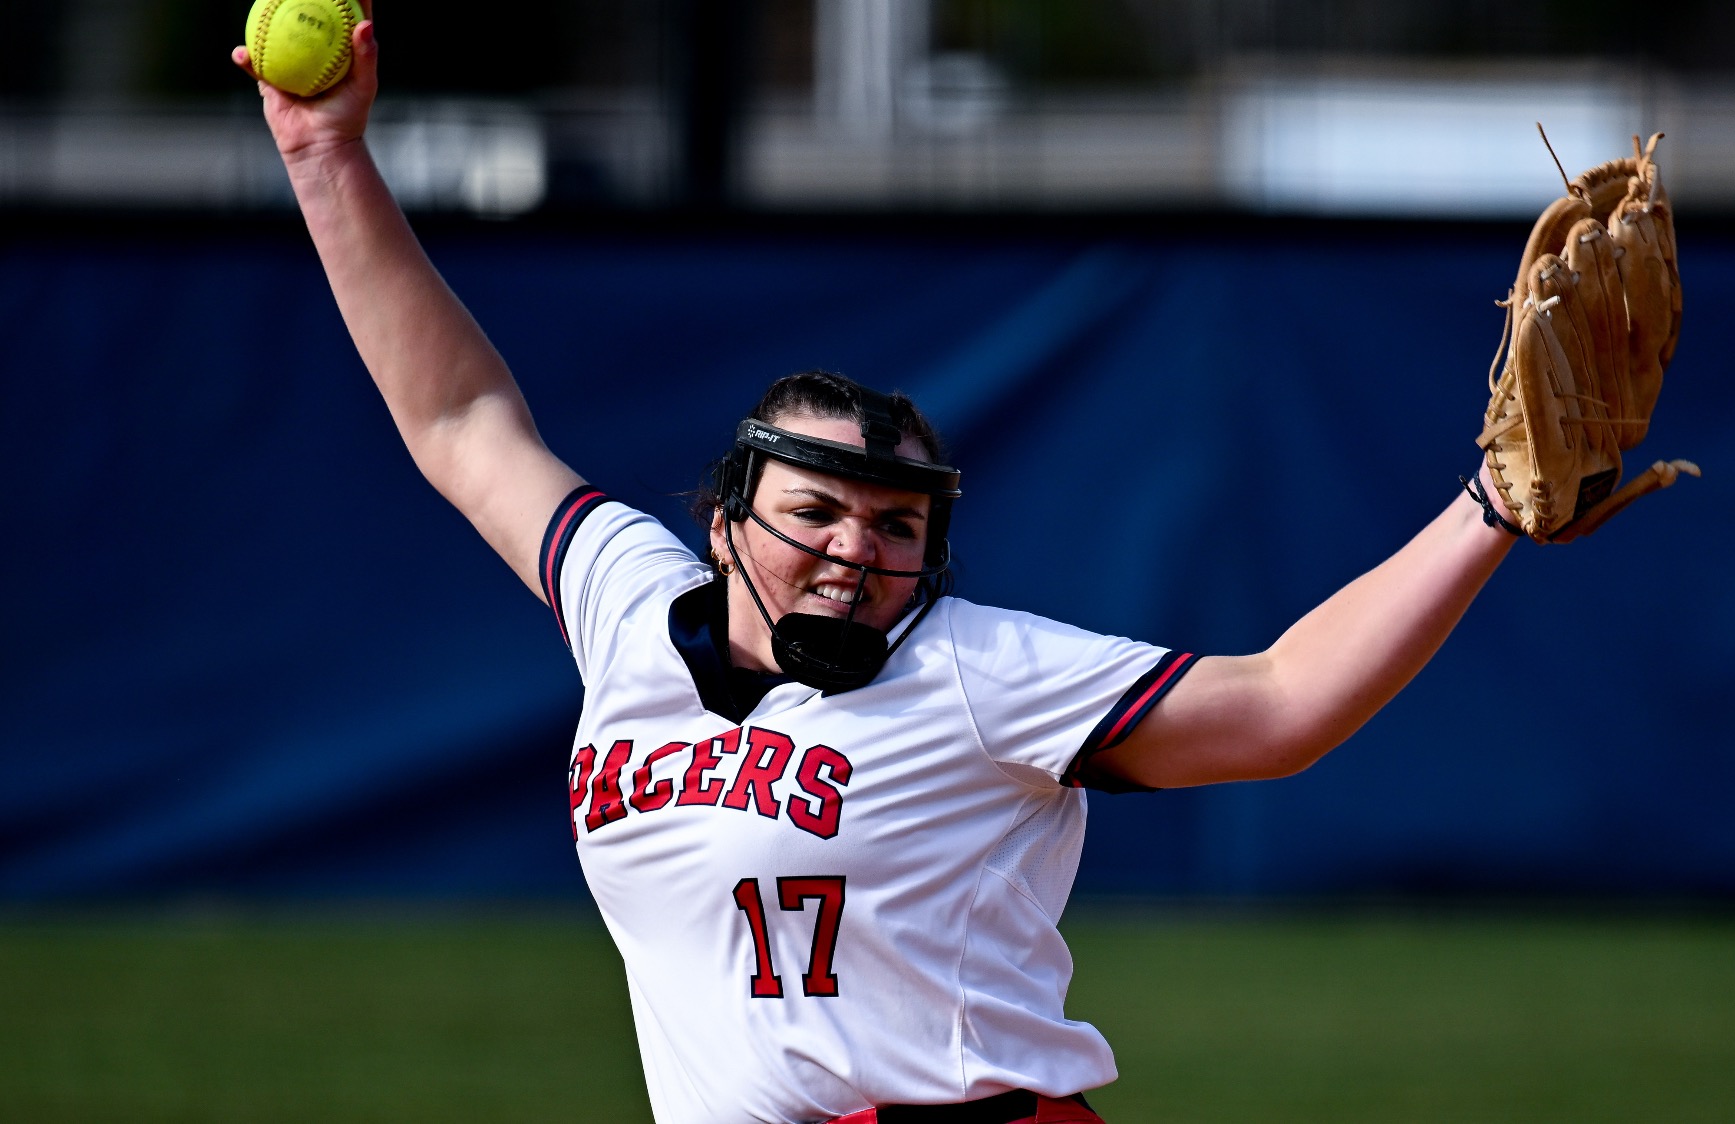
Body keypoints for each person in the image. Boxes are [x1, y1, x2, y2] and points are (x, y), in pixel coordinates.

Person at [236, 10, 1516, 1123]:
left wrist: (1489, 506)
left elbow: (1282, 702)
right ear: (726, 520)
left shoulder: (971, 671)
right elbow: (461, 425)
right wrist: (325, 154)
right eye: (818, 510)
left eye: (898, 523)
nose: (859, 546)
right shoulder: (631, 601)